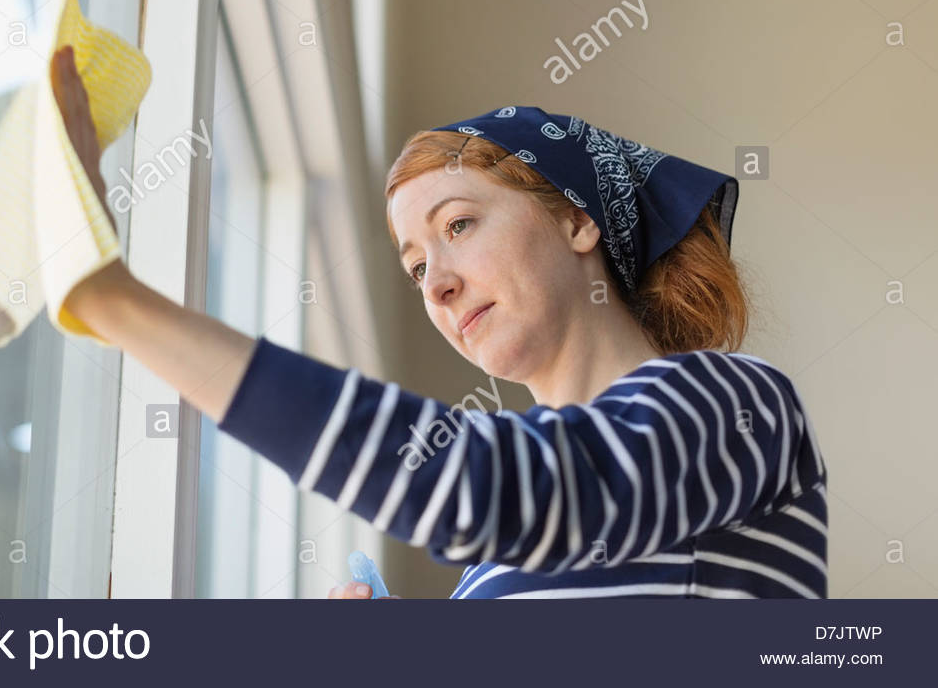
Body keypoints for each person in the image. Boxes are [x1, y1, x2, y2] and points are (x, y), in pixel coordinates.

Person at [58, 48, 829, 598]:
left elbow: (511, 485)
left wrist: (113, 301)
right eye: (417, 267)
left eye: (458, 225)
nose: (440, 286)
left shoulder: (738, 403)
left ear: (578, 223)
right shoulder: (487, 575)